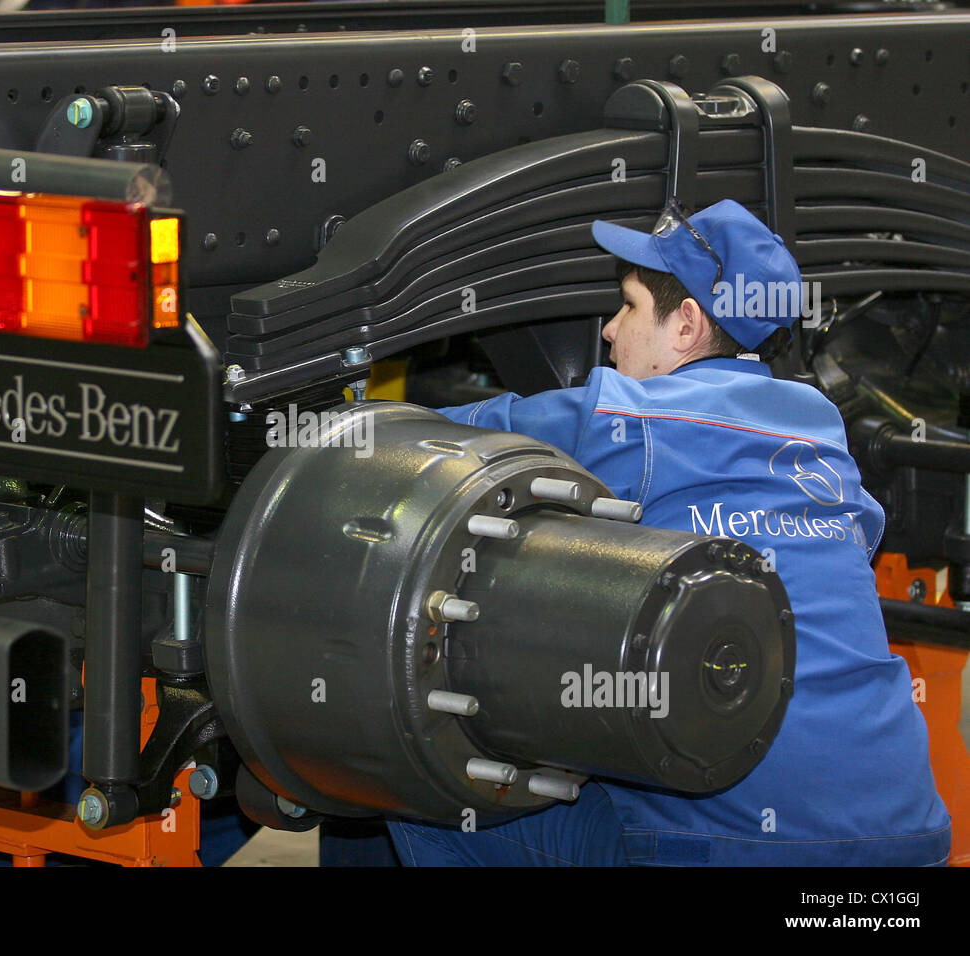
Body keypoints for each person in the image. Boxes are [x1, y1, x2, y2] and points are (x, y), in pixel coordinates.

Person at [387, 199, 952, 866]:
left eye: (627, 308)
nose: (609, 331)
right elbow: (860, 533)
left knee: (427, 808)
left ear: (685, 325)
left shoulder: (627, 416)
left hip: (736, 845)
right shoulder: (818, 427)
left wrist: (342, 418)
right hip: (908, 830)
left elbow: (438, 432)